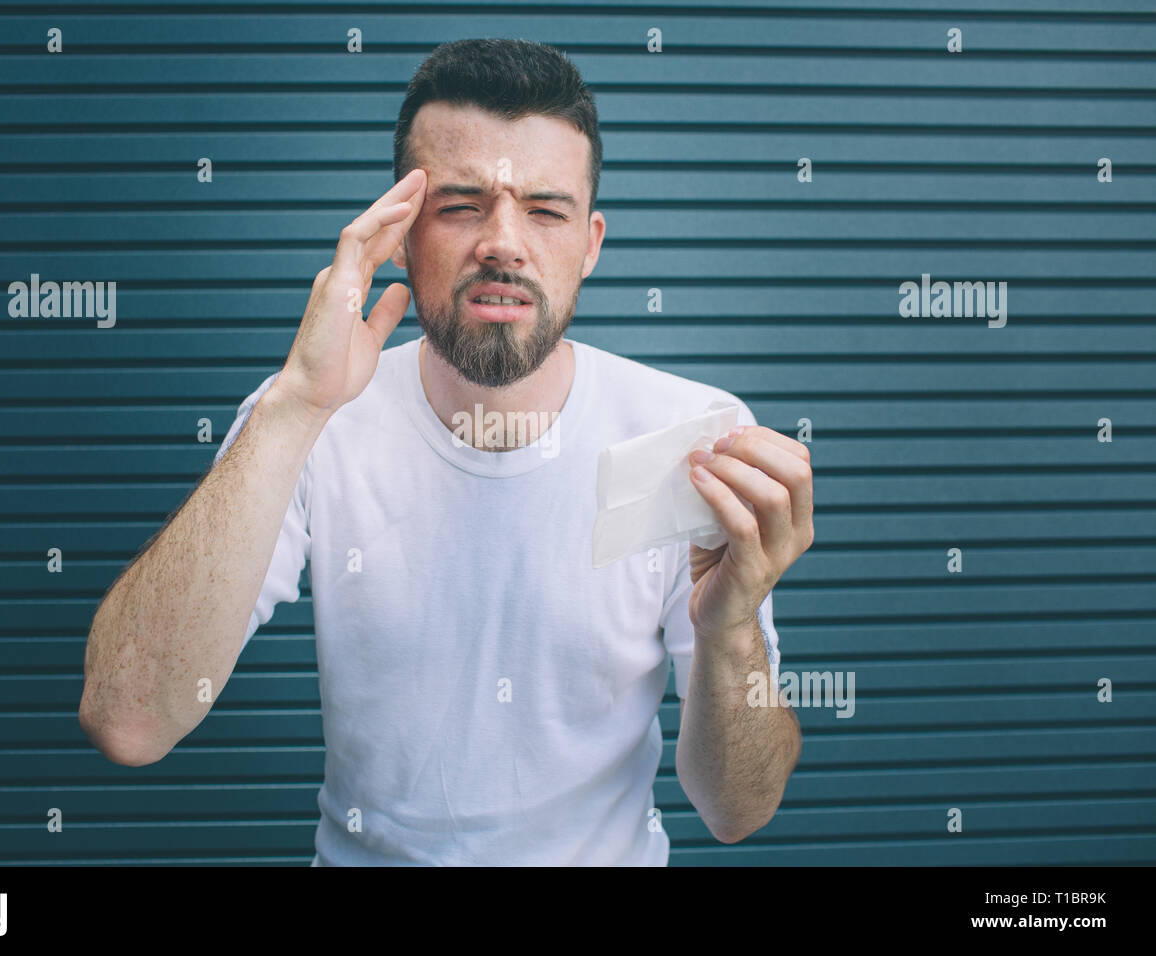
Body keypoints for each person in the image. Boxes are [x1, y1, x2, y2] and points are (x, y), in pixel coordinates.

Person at [79, 37, 812, 865]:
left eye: (545, 210)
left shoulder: (692, 436)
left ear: (592, 243)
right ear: (398, 233)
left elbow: (738, 811)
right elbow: (128, 721)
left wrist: (729, 629)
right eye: (461, 204)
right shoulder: (311, 415)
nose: (504, 241)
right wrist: (294, 406)